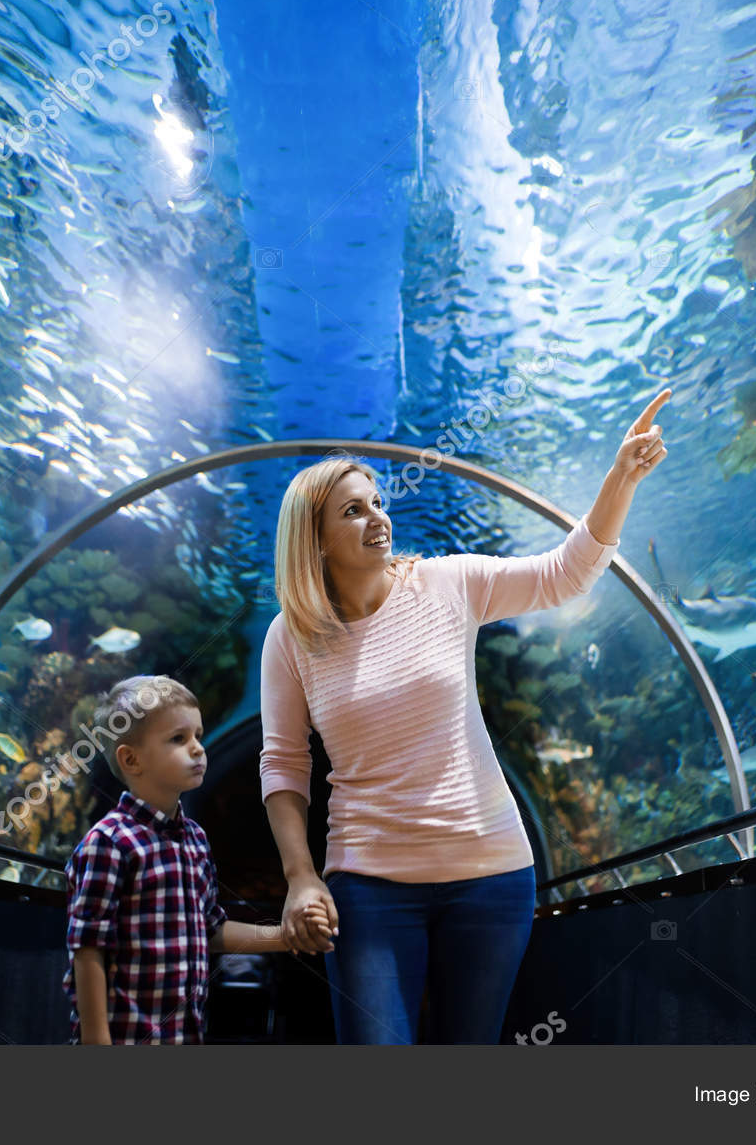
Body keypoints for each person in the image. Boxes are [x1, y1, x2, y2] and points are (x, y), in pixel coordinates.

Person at [259, 390, 673, 1044]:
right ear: (314, 539)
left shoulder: (448, 583)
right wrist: (300, 875)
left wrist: (620, 478)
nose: (376, 517)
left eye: (377, 502)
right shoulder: (291, 635)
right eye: (352, 510)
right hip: (366, 886)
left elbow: (563, 576)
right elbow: (284, 762)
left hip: (493, 877)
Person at [64, 674, 330, 1044]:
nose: (198, 749)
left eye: (198, 736)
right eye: (178, 739)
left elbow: (210, 931)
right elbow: (88, 946)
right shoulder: (108, 843)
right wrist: (97, 1039)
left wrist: (288, 937)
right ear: (131, 759)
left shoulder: (195, 841)